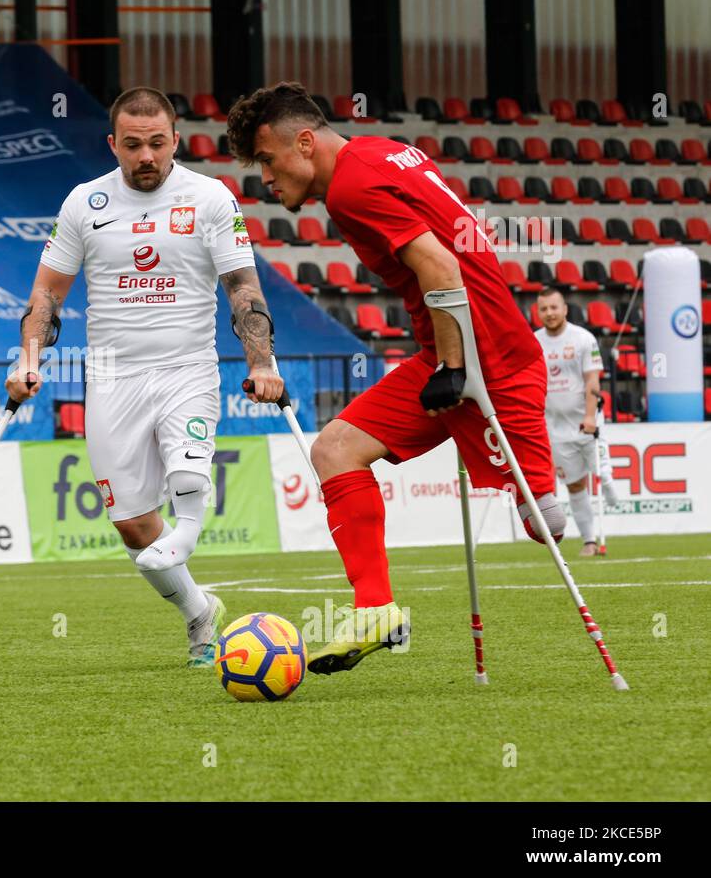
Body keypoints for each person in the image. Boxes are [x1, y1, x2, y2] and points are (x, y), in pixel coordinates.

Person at [226, 82, 564, 675]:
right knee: (335, 448)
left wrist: (455, 367)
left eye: (269, 161)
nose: (267, 180)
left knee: (546, 523)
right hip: (452, 349)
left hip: (492, 361)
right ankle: (375, 610)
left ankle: (541, 480)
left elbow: (441, 263)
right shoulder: (381, 150)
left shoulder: (353, 187)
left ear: (304, 142)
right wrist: (445, 359)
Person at [6, 87, 287, 667]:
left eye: (158, 143)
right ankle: (199, 613)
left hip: (188, 364)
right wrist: (29, 358)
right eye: (133, 145)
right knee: (134, 527)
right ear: (114, 144)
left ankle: (186, 531)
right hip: (111, 376)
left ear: (175, 140)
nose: (146, 157)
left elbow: (243, 288)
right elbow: (46, 295)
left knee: (187, 469)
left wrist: (261, 362)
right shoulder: (84, 204)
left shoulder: (210, 198)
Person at [534, 286, 616, 556]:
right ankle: (590, 541)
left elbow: (592, 380)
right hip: (555, 428)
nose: (549, 313)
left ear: (565, 309)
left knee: (602, 473)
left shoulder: (583, 339)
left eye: (554, 307)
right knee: (575, 485)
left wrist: (590, 416)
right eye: (544, 309)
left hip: (586, 421)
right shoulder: (534, 342)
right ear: (538, 312)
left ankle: (609, 486)